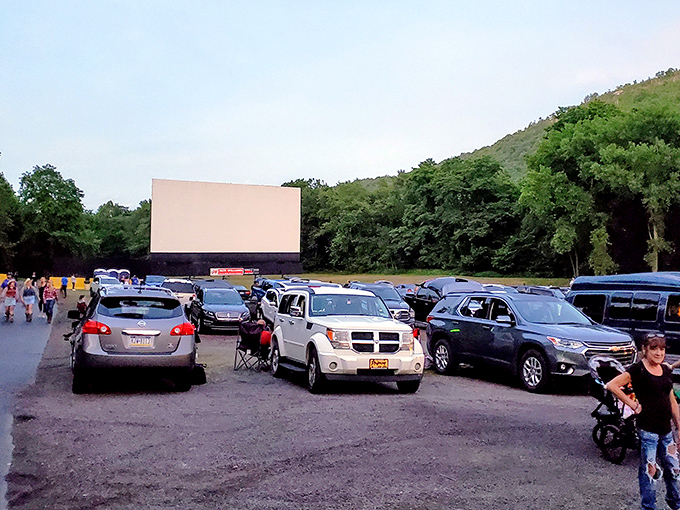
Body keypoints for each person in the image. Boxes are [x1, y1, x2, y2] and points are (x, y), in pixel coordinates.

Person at [606, 334, 680, 510]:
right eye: (654, 348)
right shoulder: (637, 370)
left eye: (662, 349)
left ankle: (675, 502)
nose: (658, 353)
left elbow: (672, 401)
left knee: (674, 470)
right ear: (645, 350)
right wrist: (632, 404)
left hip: (666, 431)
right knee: (650, 472)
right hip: (648, 431)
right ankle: (648, 506)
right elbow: (612, 385)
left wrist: (679, 427)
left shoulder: (666, 370)